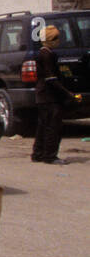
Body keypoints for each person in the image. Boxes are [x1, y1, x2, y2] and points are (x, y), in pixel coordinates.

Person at [32, 25, 78, 164]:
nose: (59, 41)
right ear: (52, 39)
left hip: (42, 95)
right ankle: (49, 156)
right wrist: (67, 94)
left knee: (43, 125)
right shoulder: (47, 55)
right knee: (53, 126)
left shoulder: (42, 53)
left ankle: (38, 154)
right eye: (57, 38)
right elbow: (51, 78)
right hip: (49, 96)